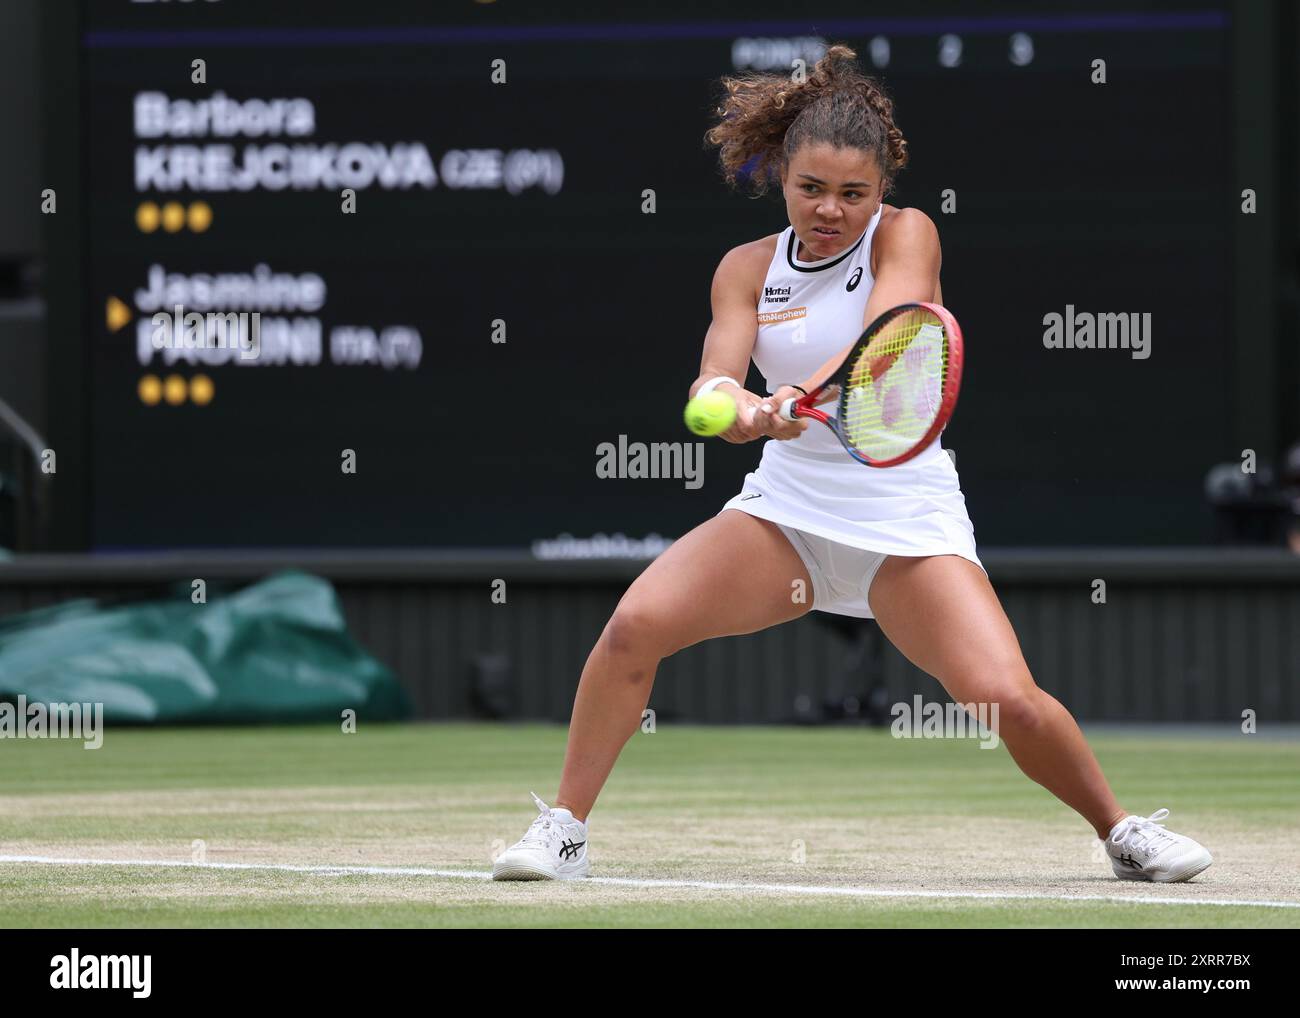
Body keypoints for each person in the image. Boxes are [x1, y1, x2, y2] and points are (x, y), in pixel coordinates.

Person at [492, 44, 1212, 885]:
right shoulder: (746, 269)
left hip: (903, 524)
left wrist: (801, 393)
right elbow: (715, 376)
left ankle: (1121, 831)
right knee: (632, 628)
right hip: (785, 520)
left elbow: (893, 329)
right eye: (811, 189)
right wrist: (742, 409)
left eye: (853, 193)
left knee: (1006, 698)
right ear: (781, 176)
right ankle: (565, 830)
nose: (830, 210)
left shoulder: (909, 233)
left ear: (881, 191)